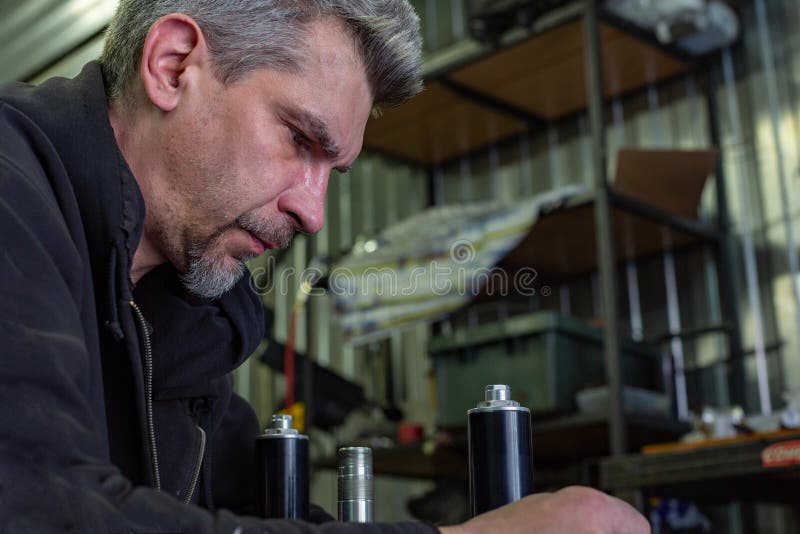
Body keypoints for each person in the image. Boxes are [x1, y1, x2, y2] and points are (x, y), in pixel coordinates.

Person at [0, 0, 649, 532]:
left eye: (333, 171)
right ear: (173, 67)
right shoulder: (11, 191)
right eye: (299, 139)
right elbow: (40, 507)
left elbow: (254, 518)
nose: (314, 213)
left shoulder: (192, 312)